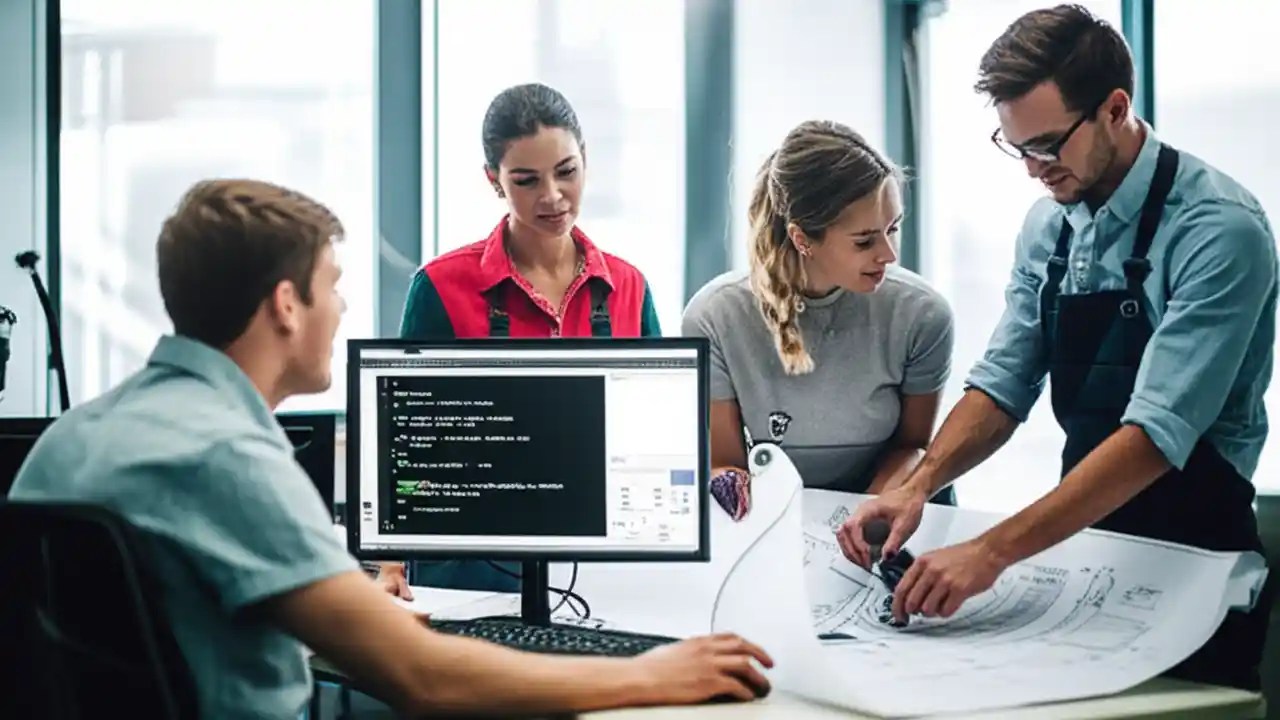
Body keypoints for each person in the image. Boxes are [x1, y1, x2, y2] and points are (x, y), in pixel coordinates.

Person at [8, 179, 773, 719]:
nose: (342, 309)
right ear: (285, 305)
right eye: (332, 286)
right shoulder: (229, 458)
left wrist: (336, 601)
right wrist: (650, 674)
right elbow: (421, 678)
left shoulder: (76, 436)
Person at [839, 4, 1276, 691]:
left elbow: (1157, 433)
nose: (1032, 168)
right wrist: (917, 485)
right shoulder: (1048, 229)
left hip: (1196, 564)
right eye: (1016, 147)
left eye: (1047, 145)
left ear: (1114, 108)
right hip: (1090, 553)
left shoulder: (1220, 233)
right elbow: (1005, 382)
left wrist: (990, 552)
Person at [381, 82, 663, 596]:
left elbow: (656, 439)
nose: (552, 196)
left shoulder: (629, 287)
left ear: (586, 161)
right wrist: (391, 561)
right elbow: (407, 443)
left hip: (602, 564)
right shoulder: (441, 287)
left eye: (567, 172)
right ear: (494, 181)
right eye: (526, 180)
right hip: (469, 566)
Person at [682, 120, 956, 510]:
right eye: (865, 241)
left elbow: (912, 446)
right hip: (774, 517)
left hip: (887, 513)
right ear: (802, 238)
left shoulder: (924, 315)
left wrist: (858, 521)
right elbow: (726, 464)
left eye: (893, 229)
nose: (889, 255)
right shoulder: (714, 318)